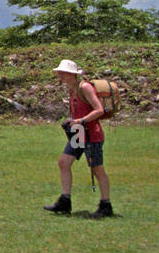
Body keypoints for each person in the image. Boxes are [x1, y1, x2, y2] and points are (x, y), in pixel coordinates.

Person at [43, 59, 114, 219]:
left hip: (91, 134)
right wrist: (73, 120)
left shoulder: (84, 87)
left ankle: (106, 204)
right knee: (64, 162)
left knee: (97, 169)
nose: (59, 76)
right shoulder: (73, 89)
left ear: (71, 74)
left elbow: (99, 110)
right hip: (79, 132)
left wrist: (81, 120)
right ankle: (65, 200)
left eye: (62, 73)